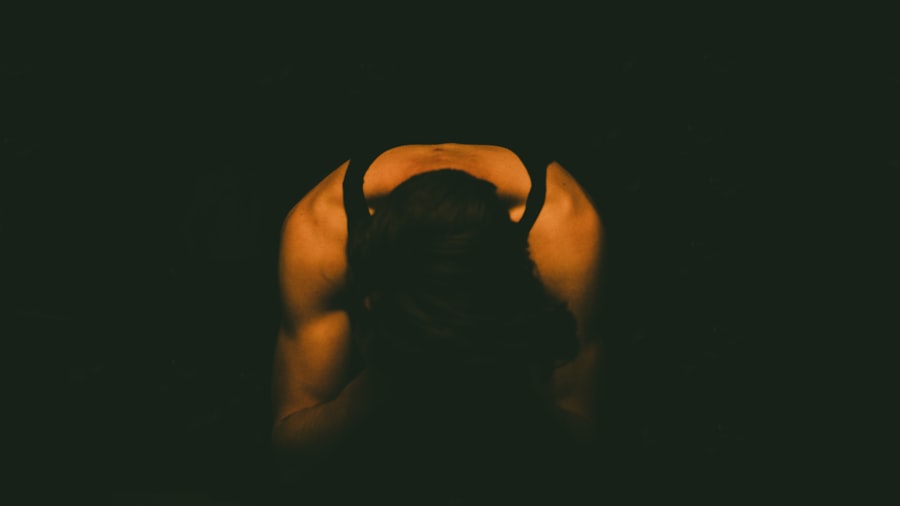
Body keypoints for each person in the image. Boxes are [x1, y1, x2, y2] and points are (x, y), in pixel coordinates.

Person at [271, 141, 605, 503]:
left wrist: (497, 379)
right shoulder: (322, 226)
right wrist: (385, 383)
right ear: (371, 296)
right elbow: (290, 456)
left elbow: (583, 448)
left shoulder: (563, 223)